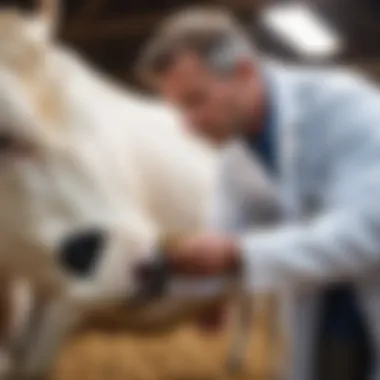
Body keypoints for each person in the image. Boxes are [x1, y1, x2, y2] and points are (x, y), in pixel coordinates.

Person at [137, 8, 380, 380]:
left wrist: (237, 255)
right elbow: (224, 239)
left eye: (196, 101)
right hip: (326, 319)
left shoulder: (347, 107)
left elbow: (369, 231)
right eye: (179, 109)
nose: (188, 126)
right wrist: (200, 287)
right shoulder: (235, 157)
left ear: (244, 72)